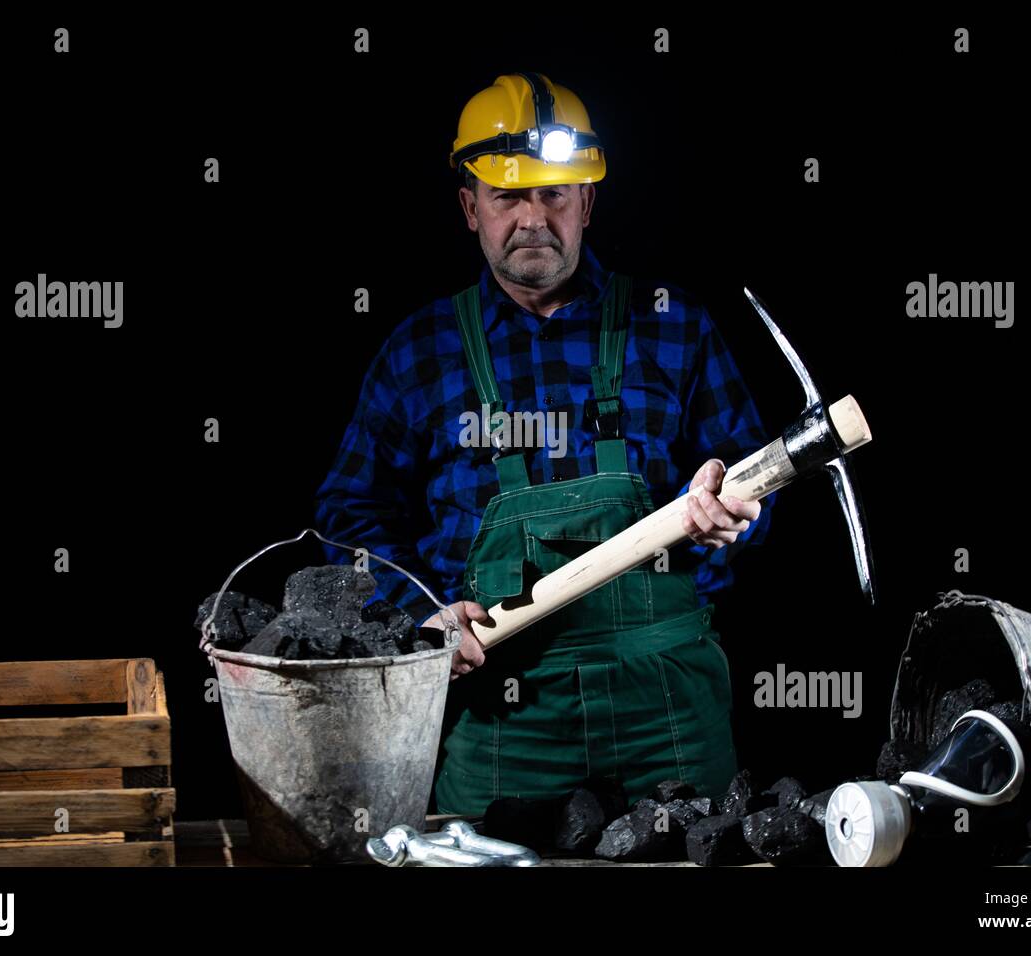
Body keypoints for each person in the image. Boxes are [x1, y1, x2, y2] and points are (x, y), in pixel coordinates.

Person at [315, 72, 776, 814]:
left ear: (587, 202)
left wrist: (739, 511)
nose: (534, 218)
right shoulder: (417, 353)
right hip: (502, 719)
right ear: (471, 208)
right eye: (508, 197)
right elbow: (348, 515)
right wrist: (417, 612)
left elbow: (757, 481)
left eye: (555, 194)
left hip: (669, 712)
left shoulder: (675, 325)